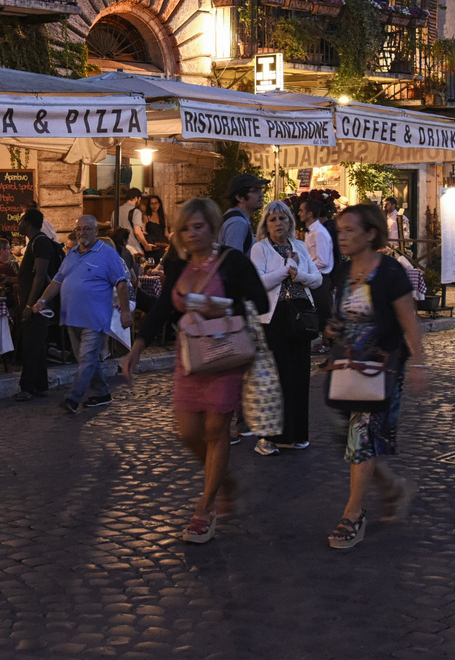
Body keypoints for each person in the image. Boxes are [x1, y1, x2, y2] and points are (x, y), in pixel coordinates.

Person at [124, 198, 268, 544]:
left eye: (198, 226)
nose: (192, 234)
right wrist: (139, 345)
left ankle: (205, 508)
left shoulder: (232, 262)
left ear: (213, 227)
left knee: (217, 430)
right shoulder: (179, 263)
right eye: (186, 228)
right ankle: (225, 481)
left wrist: (221, 307)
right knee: (188, 432)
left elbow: (260, 302)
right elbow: (163, 305)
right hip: (189, 357)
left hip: (224, 356)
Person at [323, 202, 429, 550]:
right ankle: (392, 487)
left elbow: (409, 320)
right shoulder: (343, 271)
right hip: (347, 366)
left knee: (362, 436)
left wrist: (419, 363)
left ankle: (353, 514)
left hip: (381, 368)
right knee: (347, 436)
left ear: (370, 234)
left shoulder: (389, 272)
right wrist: (332, 328)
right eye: (340, 231)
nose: (342, 237)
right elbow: (341, 315)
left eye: (349, 231)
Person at [32, 216, 131, 414]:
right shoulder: (72, 254)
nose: (81, 233)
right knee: (87, 359)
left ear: (96, 231)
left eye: (86, 229)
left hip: (95, 317)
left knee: (86, 359)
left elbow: (121, 283)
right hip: (72, 317)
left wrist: (126, 311)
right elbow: (58, 281)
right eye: (78, 229)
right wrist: (42, 300)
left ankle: (73, 398)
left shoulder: (107, 254)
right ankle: (102, 393)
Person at [249, 199, 322, 456]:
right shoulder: (260, 249)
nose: (278, 223)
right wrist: (286, 269)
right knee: (276, 377)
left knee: (299, 376)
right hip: (274, 319)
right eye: (272, 220)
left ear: (290, 222)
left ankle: (297, 434)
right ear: (266, 225)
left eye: (282, 219)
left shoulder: (299, 246)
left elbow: (317, 278)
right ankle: (268, 437)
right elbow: (258, 282)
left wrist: (298, 274)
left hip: (299, 316)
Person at [13, 210, 66, 401]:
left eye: (21, 221)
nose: (18, 225)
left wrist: (30, 305)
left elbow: (40, 275)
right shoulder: (35, 242)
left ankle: (28, 387)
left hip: (38, 305)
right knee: (37, 345)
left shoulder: (40, 243)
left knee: (31, 345)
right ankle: (40, 385)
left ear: (27, 223)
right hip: (36, 302)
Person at [297, 193, 337, 347]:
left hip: (320, 278)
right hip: (314, 276)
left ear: (309, 214)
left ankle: (327, 344)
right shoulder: (311, 231)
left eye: (301, 210)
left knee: (323, 312)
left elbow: (323, 260)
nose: (298, 213)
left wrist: (306, 269)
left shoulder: (319, 232)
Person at [220, 174, 265, 254]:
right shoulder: (237, 223)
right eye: (256, 190)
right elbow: (234, 259)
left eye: (261, 189)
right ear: (240, 197)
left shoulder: (236, 219)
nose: (261, 194)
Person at [116, 187, 147, 257]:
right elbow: (137, 232)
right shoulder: (136, 212)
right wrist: (146, 245)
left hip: (119, 249)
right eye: (139, 200)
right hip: (133, 249)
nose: (139, 202)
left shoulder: (115, 211)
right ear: (136, 198)